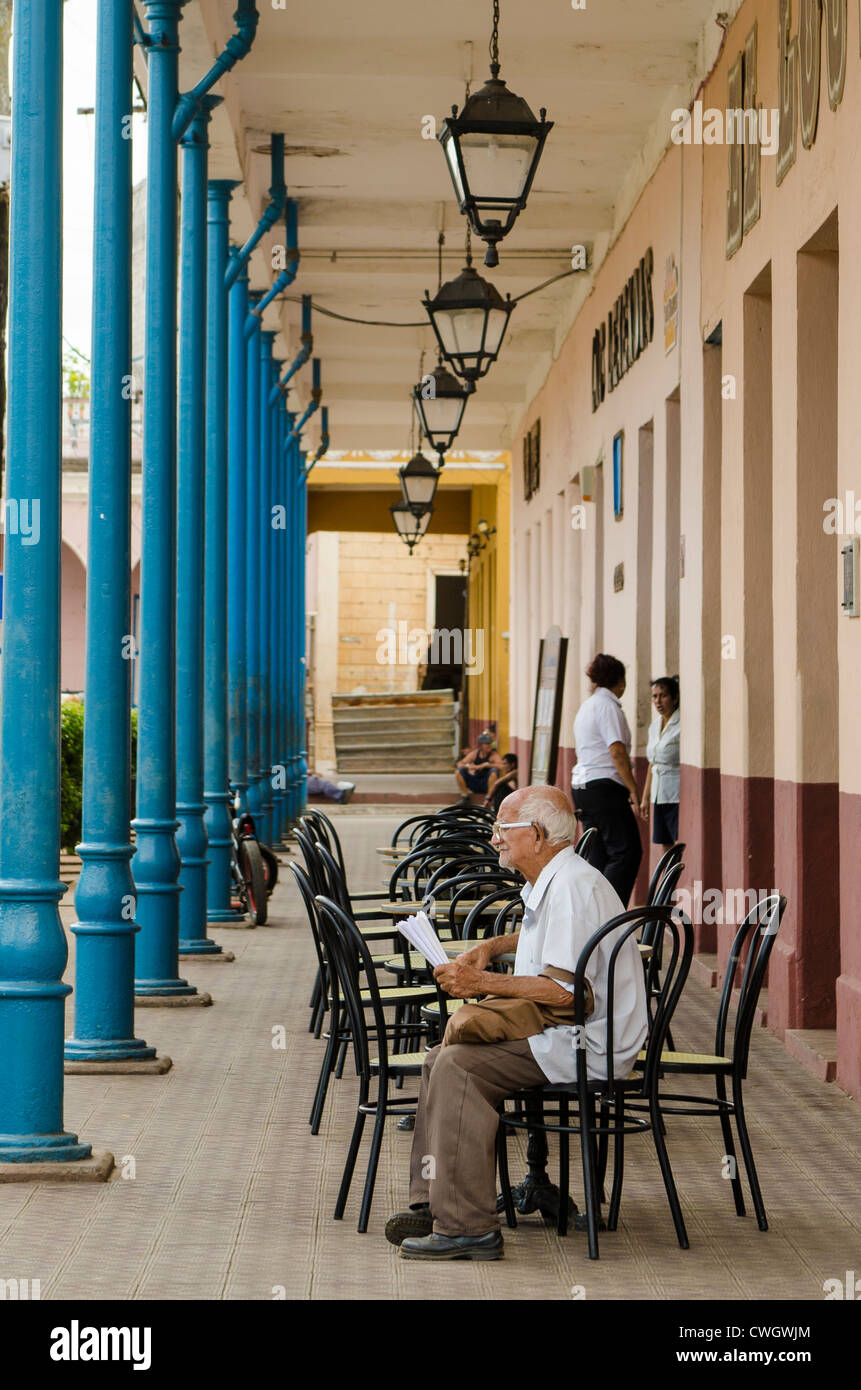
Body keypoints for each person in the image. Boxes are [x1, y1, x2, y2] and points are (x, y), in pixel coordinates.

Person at [384, 785, 648, 1261]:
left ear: (538, 834)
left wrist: (478, 980)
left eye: (503, 829)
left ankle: (468, 1228)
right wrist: (494, 947)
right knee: (438, 1058)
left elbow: (566, 992)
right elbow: (549, 949)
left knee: (458, 1068)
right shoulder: (555, 878)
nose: (495, 838)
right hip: (566, 1031)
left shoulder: (570, 888)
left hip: (590, 1041)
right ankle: (432, 1203)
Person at [570, 653, 644, 906]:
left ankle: (594, 916)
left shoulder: (588, 705)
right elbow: (617, 751)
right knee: (627, 852)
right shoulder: (608, 707)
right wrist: (633, 788)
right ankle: (609, 916)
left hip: (583, 787)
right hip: (603, 787)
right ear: (620, 682)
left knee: (600, 855)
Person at [640, 677, 680, 853]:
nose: (658, 701)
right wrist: (645, 797)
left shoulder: (681, 725)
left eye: (663, 696)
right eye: (654, 696)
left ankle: (677, 878)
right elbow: (652, 763)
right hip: (658, 794)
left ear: (674, 698)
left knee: (677, 841)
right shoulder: (654, 726)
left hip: (675, 794)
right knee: (664, 842)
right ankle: (668, 880)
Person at [454, 731, 504, 806]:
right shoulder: (475, 753)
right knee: (458, 771)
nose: (489, 746)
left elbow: (501, 766)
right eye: (487, 744)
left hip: (486, 785)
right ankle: (465, 797)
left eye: (490, 743)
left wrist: (486, 765)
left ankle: (489, 798)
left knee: (494, 771)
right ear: (481, 746)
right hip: (476, 783)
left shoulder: (494, 755)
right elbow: (459, 764)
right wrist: (468, 766)